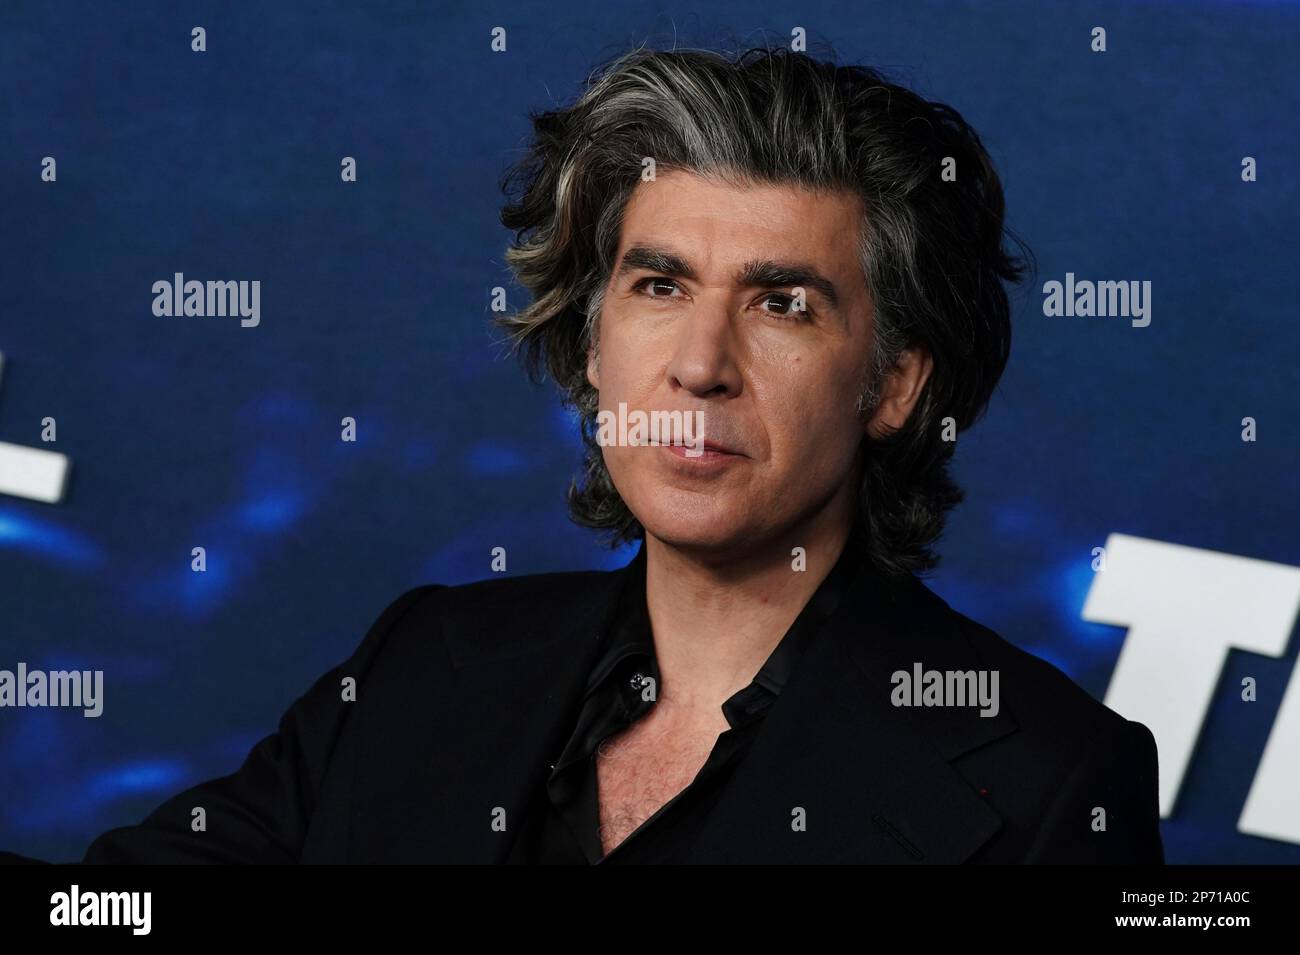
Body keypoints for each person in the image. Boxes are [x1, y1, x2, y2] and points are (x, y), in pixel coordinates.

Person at [2, 45, 1163, 864]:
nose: (699, 363)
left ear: (894, 384)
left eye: (782, 305)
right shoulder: (428, 665)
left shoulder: (1047, 782)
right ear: (595, 342)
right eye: (658, 285)